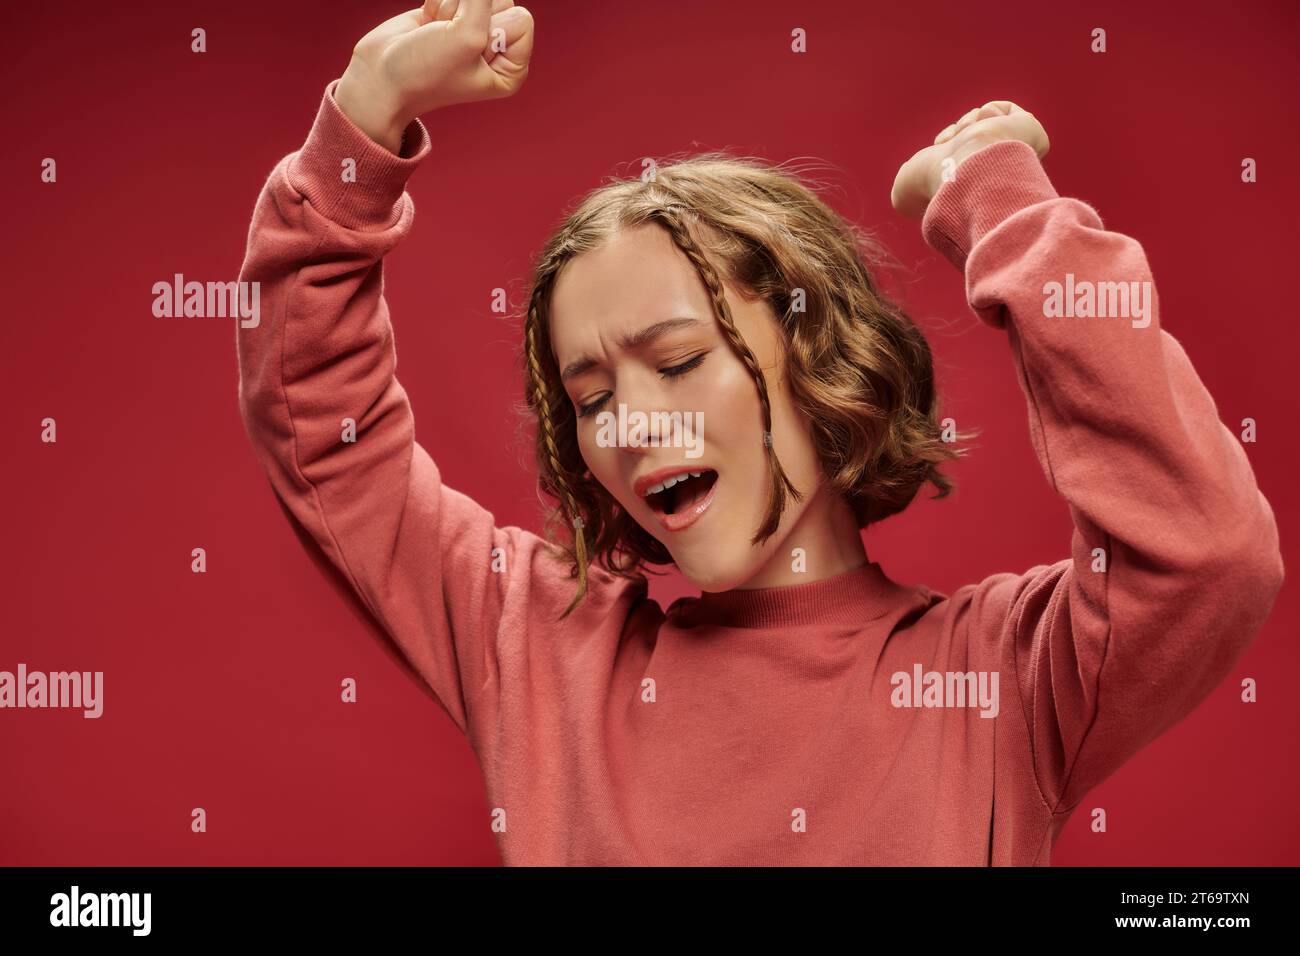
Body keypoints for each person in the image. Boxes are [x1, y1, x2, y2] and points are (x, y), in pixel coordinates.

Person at [235, 0, 1283, 864]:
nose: (633, 423)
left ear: (814, 351)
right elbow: (327, 433)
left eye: (681, 359)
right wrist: (364, 117)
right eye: (590, 395)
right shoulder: (546, 653)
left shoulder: (998, 678)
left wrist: (1001, 206)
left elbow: (1204, 548)